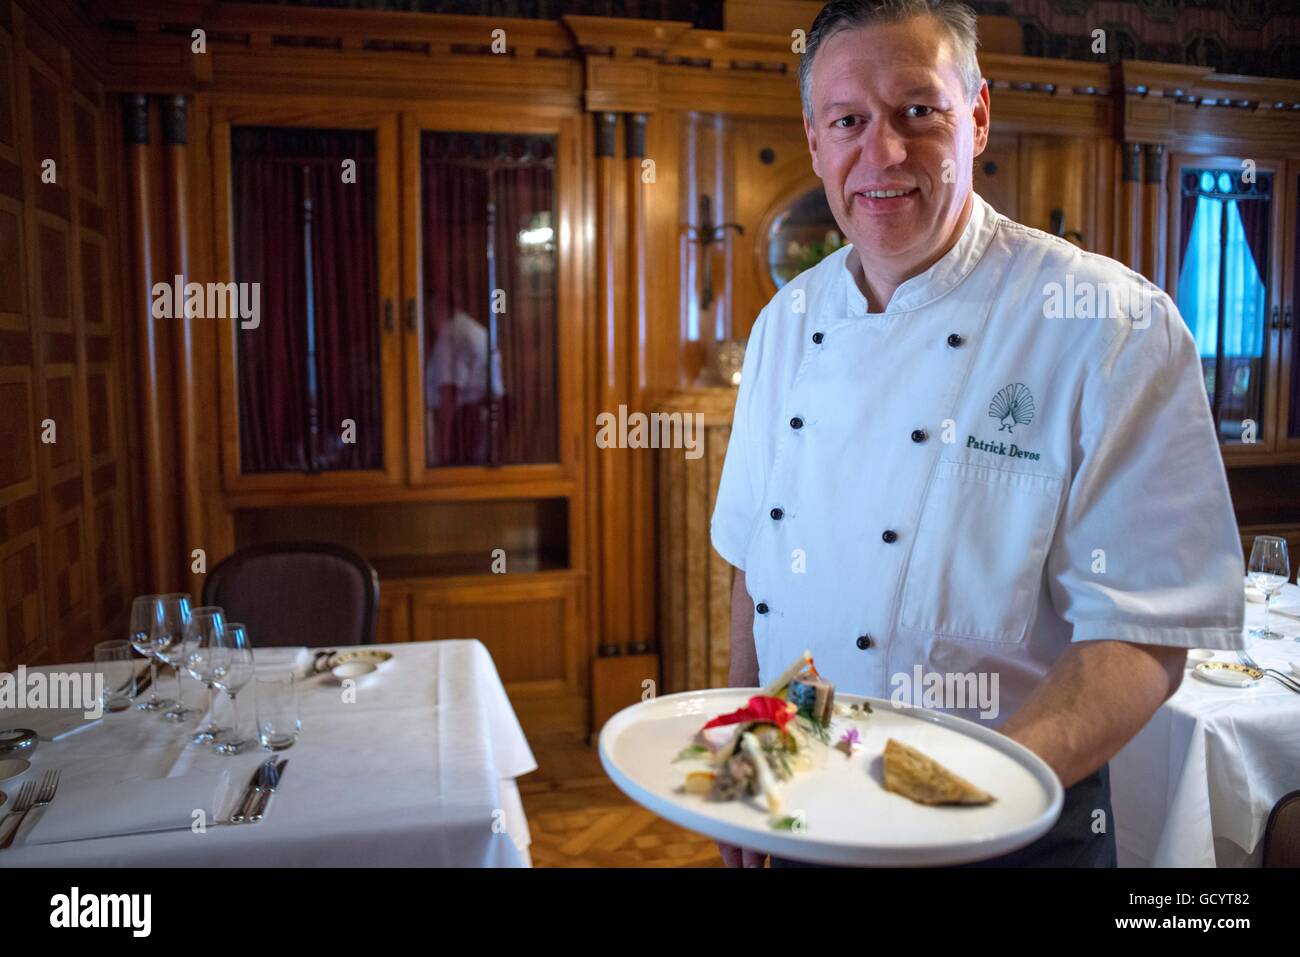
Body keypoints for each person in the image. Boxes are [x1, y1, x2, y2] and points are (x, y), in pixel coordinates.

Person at [710, 0, 1245, 868]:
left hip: (1008, 832)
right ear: (815, 141)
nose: (882, 153)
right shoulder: (783, 325)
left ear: (979, 117)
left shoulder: (1108, 324)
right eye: (849, 120)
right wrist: (751, 756)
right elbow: (752, 568)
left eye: (919, 112)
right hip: (805, 805)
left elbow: (1141, 635)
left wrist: (962, 802)